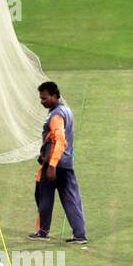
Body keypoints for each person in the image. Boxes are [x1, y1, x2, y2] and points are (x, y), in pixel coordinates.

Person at [29, 81, 88, 245]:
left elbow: (60, 140)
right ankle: (80, 235)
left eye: (45, 98)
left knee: (44, 196)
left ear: (55, 96)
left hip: (55, 164)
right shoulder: (66, 110)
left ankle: (43, 232)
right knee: (71, 199)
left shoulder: (56, 116)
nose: (42, 101)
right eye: (41, 98)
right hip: (67, 163)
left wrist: (52, 165)